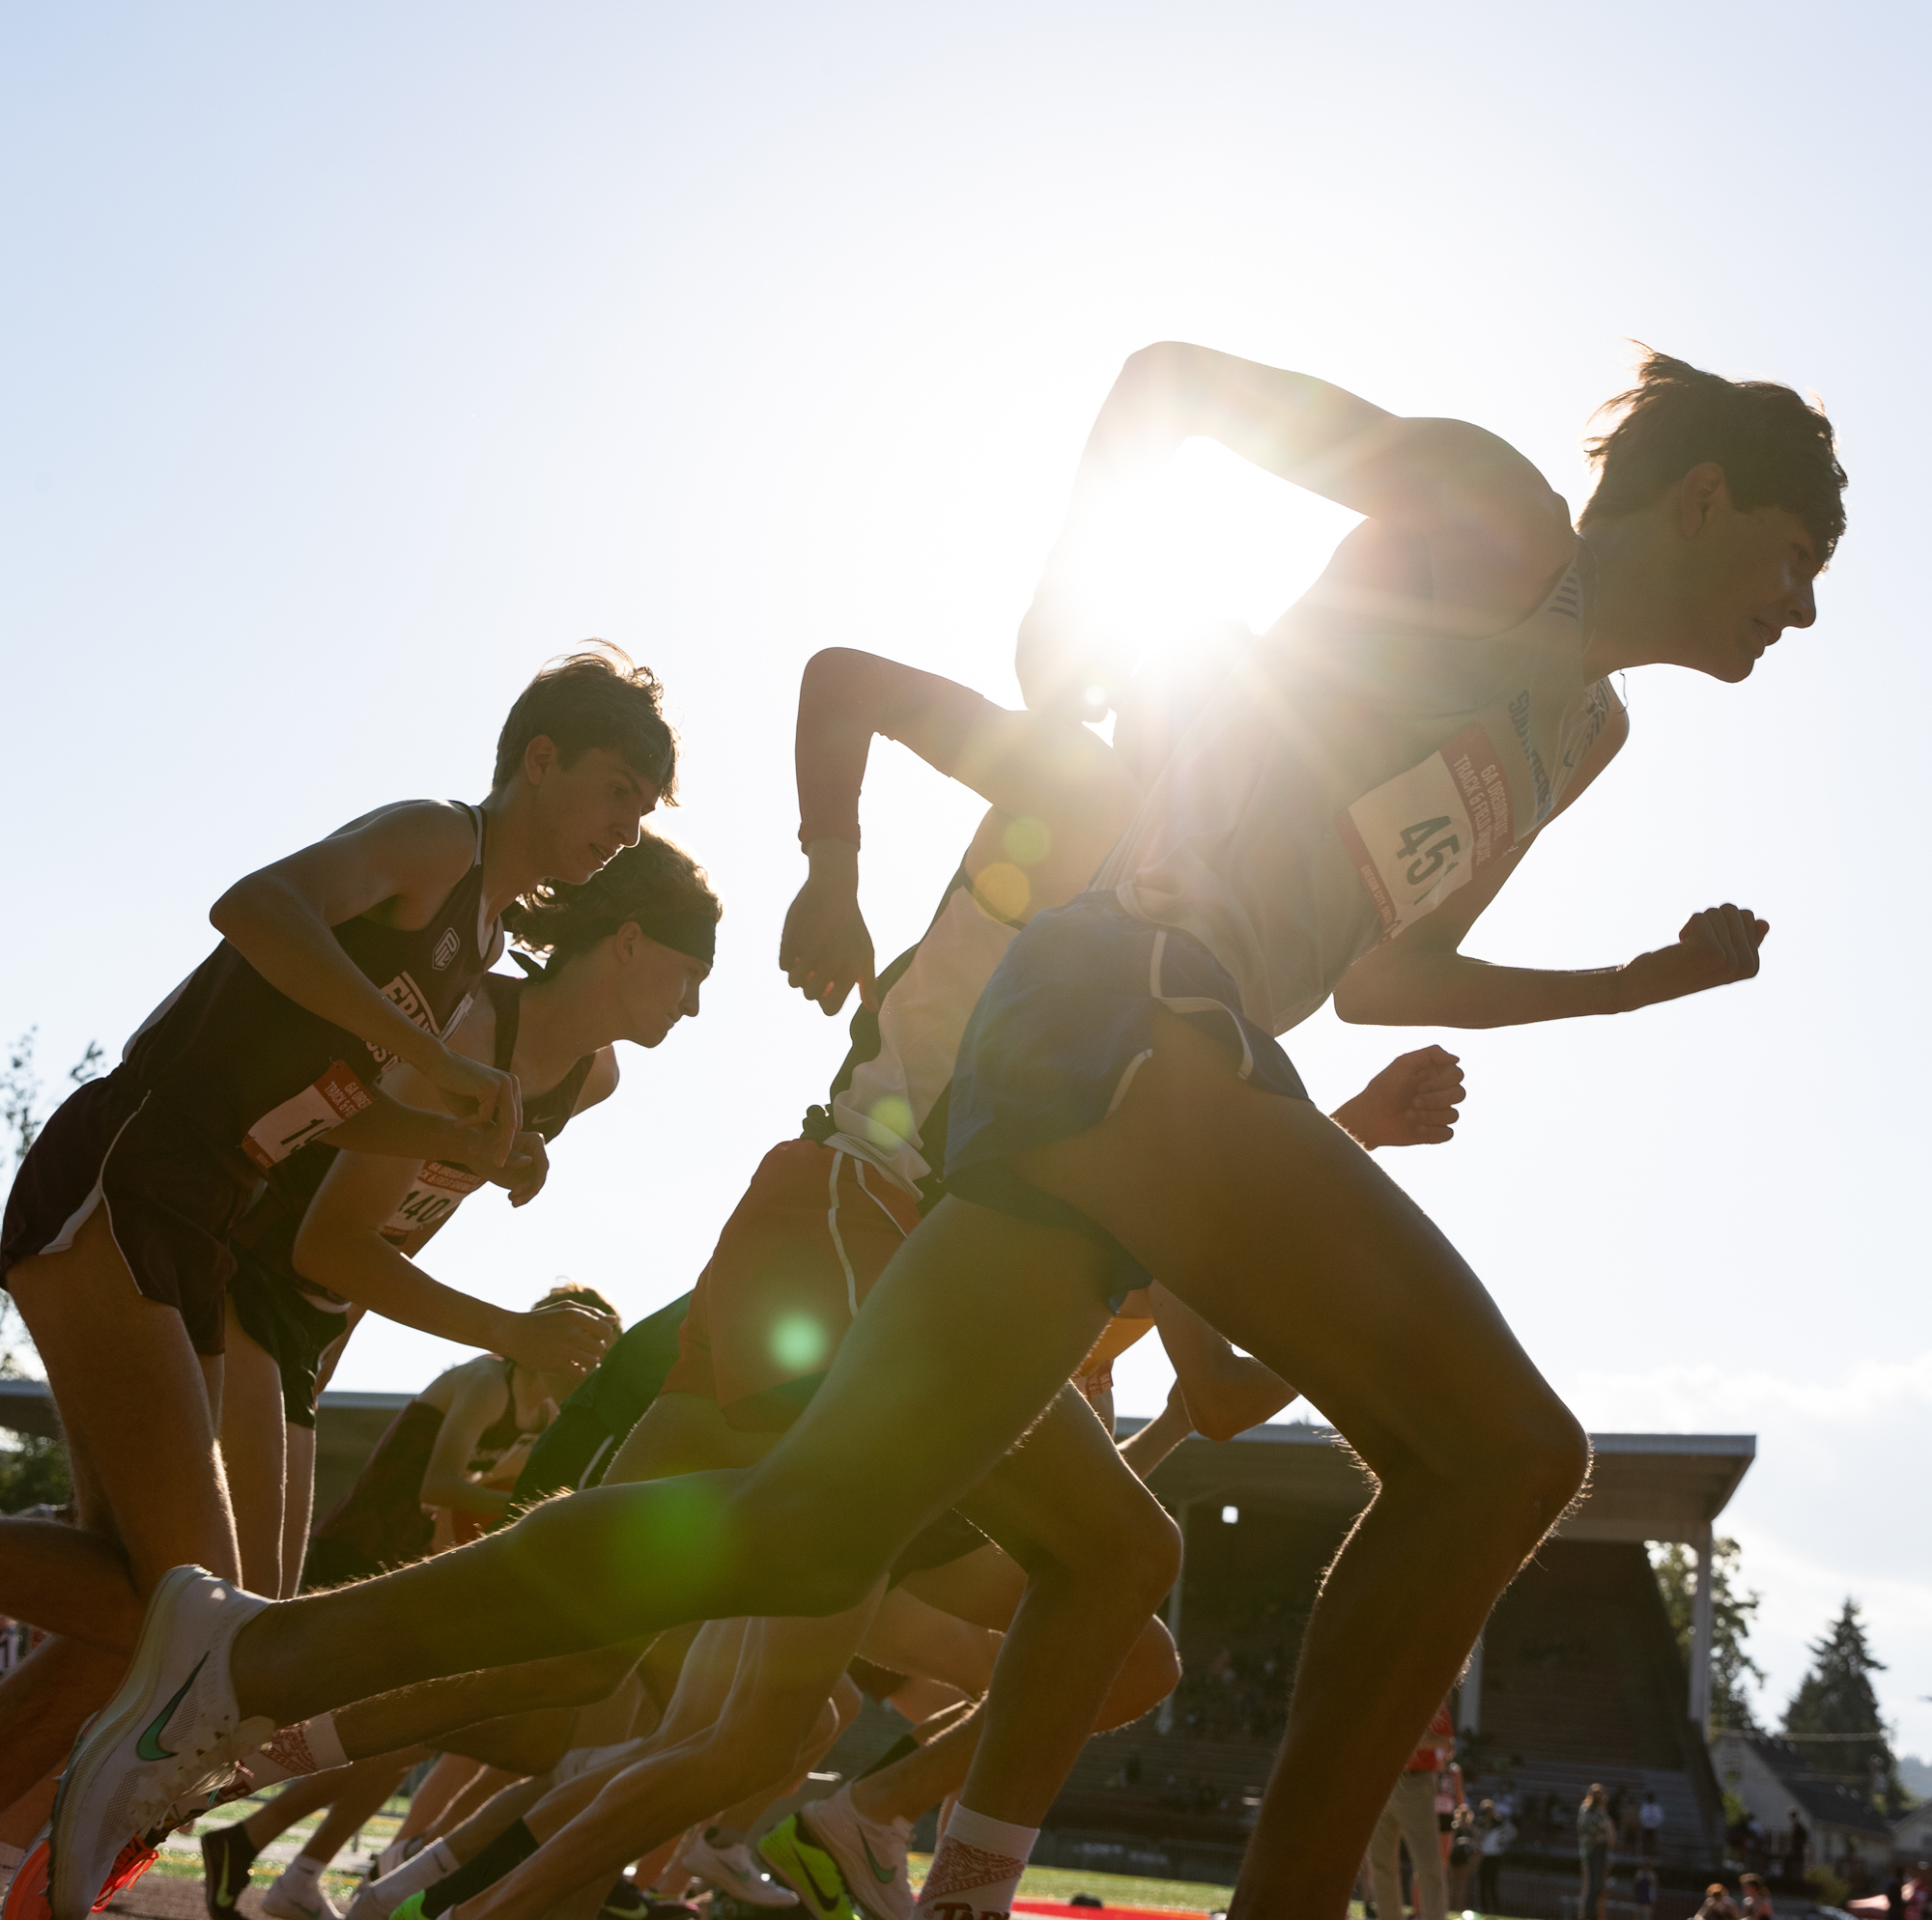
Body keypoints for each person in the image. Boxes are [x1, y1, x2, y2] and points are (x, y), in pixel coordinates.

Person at [55, 343, 1843, 1920]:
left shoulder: (1582, 728)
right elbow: (1175, 384)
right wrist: (1076, 607)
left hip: (1185, 1048)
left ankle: (236, 1661)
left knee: (800, 1532)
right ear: (1702, 494)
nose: (1806, 609)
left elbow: (1389, 970)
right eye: (1797, 557)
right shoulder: (1492, 504)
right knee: (1500, 1454)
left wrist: (1633, 986)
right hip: (1127, 997)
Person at [0, 647, 673, 1821]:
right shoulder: (436, 840)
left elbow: (330, 1108)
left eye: (644, 807)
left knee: (163, 1619)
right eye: (617, 786)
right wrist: (427, 1054)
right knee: (196, 1610)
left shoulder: (477, 944)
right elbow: (253, 906)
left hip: (204, 1217)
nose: (625, 823)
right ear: (540, 756)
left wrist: (457, 1137)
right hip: (128, 1170)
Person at [222, 826, 716, 1595]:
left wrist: (324, 1355)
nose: (693, 1007)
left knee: (213, 1605)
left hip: (307, 1322)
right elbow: (330, 1243)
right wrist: (510, 1333)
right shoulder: (474, 1027)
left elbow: (403, 1222)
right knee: (231, 1601)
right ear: (628, 941)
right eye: (689, 974)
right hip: (236, 1271)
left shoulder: (593, 1078)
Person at [1367, 1704, 1457, 1920]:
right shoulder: (1380, 1691)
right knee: (1380, 1864)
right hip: (1380, 1780)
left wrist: (1406, 1740)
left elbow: (1446, 1740)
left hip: (1416, 1783)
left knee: (1428, 1864)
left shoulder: (1428, 1695)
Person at [1578, 1784, 1614, 1920]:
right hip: (1591, 1850)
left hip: (1602, 1850)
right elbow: (1587, 1826)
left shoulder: (1602, 1811)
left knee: (1599, 1885)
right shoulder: (1586, 1809)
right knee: (1591, 1884)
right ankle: (1588, 1913)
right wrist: (1600, 1829)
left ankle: (1596, 1913)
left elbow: (1608, 1831)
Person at [1475, 1799, 1514, 1916]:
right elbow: (1477, 1839)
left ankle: (1496, 1910)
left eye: (1489, 1811)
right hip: (1483, 1856)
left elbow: (1512, 1832)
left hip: (1495, 1856)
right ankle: (1484, 1909)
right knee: (1482, 1883)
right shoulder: (1480, 1823)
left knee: (1492, 1884)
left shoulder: (1500, 1823)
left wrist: (1502, 1843)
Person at [1638, 1790, 1663, 1857]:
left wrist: (1653, 1822)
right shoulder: (1644, 1806)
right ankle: (1645, 1853)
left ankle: (1652, 1853)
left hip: (1653, 1828)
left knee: (1652, 1841)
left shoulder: (1657, 1807)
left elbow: (1660, 1818)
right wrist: (1647, 1821)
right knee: (1645, 1841)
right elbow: (1641, 1816)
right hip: (1646, 1827)